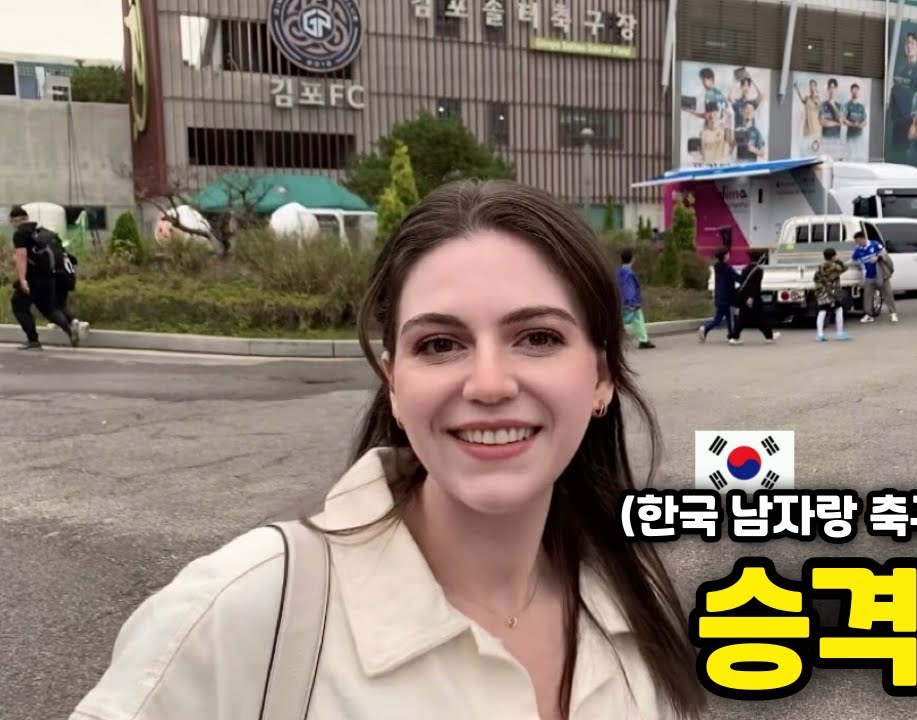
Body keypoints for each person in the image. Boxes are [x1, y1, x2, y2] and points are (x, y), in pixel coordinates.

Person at [70, 181, 706, 720]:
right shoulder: (247, 610)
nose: (488, 384)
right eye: (438, 344)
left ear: (600, 377)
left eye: (537, 337)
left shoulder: (633, 598)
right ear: (394, 382)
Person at [8, 206, 79, 350]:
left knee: (19, 305)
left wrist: (22, 280)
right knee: (50, 309)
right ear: (27, 218)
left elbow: (21, 257)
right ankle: (70, 330)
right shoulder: (42, 232)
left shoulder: (20, 234)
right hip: (49, 277)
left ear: (14, 221)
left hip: (33, 279)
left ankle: (33, 340)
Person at [728, 248, 777, 344]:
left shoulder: (745, 269)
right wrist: (752, 297)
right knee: (760, 317)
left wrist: (746, 297)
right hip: (754, 298)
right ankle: (769, 336)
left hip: (745, 297)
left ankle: (734, 337)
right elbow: (756, 286)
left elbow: (743, 283)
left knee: (743, 318)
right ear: (759, 258)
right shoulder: (759, 270)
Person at [852, 230, 897, 323]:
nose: (857, 243)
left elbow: (885, 255)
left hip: (881, 274)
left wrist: (878, 258)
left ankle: (893, 313)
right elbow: (853, 260)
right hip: (869, 275)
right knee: (867, 296)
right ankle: (868, 314)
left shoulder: (875, 245)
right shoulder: (858, 250)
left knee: (888, 294)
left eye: (858, 241)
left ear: (862, 239)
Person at [617, 249, 656, 349]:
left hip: (624, 301)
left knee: (638, 319)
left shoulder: (619, 272)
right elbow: (628, 289)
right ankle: (608, 340)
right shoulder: (628, 273)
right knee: (622, 321)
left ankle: (643, 340)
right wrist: (631, 303)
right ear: (632, 259)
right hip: (630, 303)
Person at [698, 247, 739, 342]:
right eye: (728, 254)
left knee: (718, 319)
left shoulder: (717, 267)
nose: (729, 255)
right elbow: (737, 278)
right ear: (725, 256)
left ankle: (705, 329)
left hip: (719, 297)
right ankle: (731, 336)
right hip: (727, 297)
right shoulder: (728, 268)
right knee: (730, 318)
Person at [812, 247, 850, 341]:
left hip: (821, 291)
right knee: (838, 310)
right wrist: (838, 260)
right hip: (832, 292)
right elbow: (845, 268)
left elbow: (815, 278)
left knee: (822, 311)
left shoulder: (821, 266)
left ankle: (820, 334)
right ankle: (840, 333)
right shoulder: (834, 267)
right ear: (833, 256)